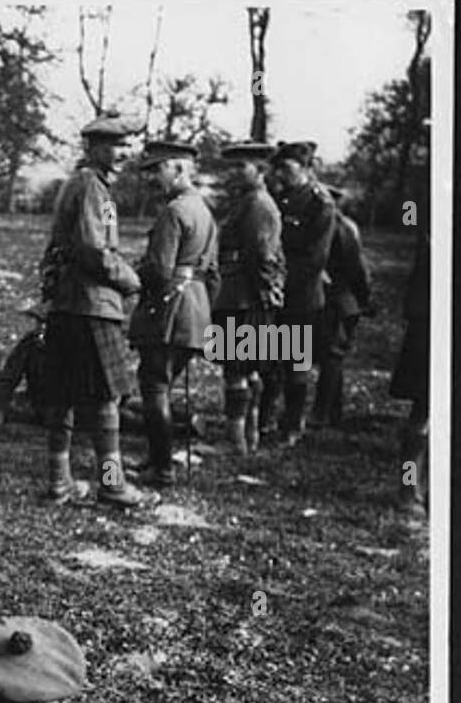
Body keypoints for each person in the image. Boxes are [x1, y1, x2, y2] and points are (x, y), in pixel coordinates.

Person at [37, 113, 150, 509]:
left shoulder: (83, 184)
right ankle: (112, 484)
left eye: (125, 146)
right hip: (92, 306)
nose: (122, 153)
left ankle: (58, 483)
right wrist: (130, 278)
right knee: (105, 398)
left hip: (70, 304)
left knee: (64, 395)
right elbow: (93, 250)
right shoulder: (91, 188)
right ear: (92, 147)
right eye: (114, 146)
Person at [130, 141, 220, 487]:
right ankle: (157, 459)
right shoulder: (204, 210)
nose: (154, 177)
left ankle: (162, 468)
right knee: (162, 384)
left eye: (158, 169)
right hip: (195, 309)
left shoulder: (173, 211)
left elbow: (158, 269)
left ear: (179, 169)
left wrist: (131, 276)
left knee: (154, 385)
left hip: (169, 309)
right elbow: (212, 273)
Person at [209, 142, 286, 455]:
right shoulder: (248, 201)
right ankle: (247, 437)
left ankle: (236, 440)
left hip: (244, 298)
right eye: (233, 166)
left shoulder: (258, 205)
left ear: (261, 170)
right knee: (247, 369)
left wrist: (265, 293)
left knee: (237, 370)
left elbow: (262, 256)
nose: (234, 172)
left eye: (242, 166)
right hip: (243, 295)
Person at [265, 141, 336, 446]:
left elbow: (314, 258)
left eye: (289, 168)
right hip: (277, 293)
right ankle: (266, 419)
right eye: (279, 168)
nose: (282, 173)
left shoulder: (321, 204)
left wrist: (281, 283)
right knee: (270, 360)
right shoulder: (279, 199)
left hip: (302, 297)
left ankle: (292, 425)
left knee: (296, 365)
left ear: (307, 169)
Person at [310, 186, 374, 428]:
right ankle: (331, 412)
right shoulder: (329, 226)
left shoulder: (342, 228)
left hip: (338, 298)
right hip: (330, 297)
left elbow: (356, 269)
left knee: (332, 355)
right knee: (331, 355)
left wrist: (362, 298)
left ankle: (323, 413)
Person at [390, 227, 429, 516]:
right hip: (430, 331)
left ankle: (420, 488)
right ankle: (408, 488)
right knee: (421, 419)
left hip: (427, 327)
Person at [0, 301, 48, 427]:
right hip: (38, 404)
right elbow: (9, 376)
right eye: (39, 322)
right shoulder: (31, 342)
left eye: (46, 323)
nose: (41, 327)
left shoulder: (75, 344)